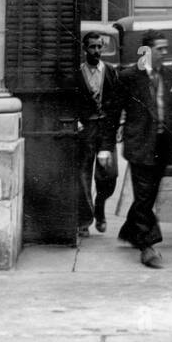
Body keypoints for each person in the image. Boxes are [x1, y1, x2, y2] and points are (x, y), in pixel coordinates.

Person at [104, 29, 172, 268]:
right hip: (139, 144)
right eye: (160, 48)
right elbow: (112, 115)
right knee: (144, 196)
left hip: (163, 146)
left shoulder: (169, 75)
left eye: (165, 48)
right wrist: (105, 147)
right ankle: (148, 247)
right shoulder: (129, 76)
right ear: (146, 51)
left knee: (149, 195)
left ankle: (129, 231)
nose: (165, 52)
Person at [75, 31, 121, 236]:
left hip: (106, 130)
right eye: (92, 46)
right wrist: (76, 121)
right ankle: (85, 220)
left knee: (109, 175)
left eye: (99, 46)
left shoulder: (111, 71)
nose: (96, 51)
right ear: (85, 48)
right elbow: (70, 101)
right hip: (86, 130)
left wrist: (118, 125)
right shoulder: (78, 73)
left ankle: (100, 205)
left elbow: (118, 101)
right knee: (83, 175)